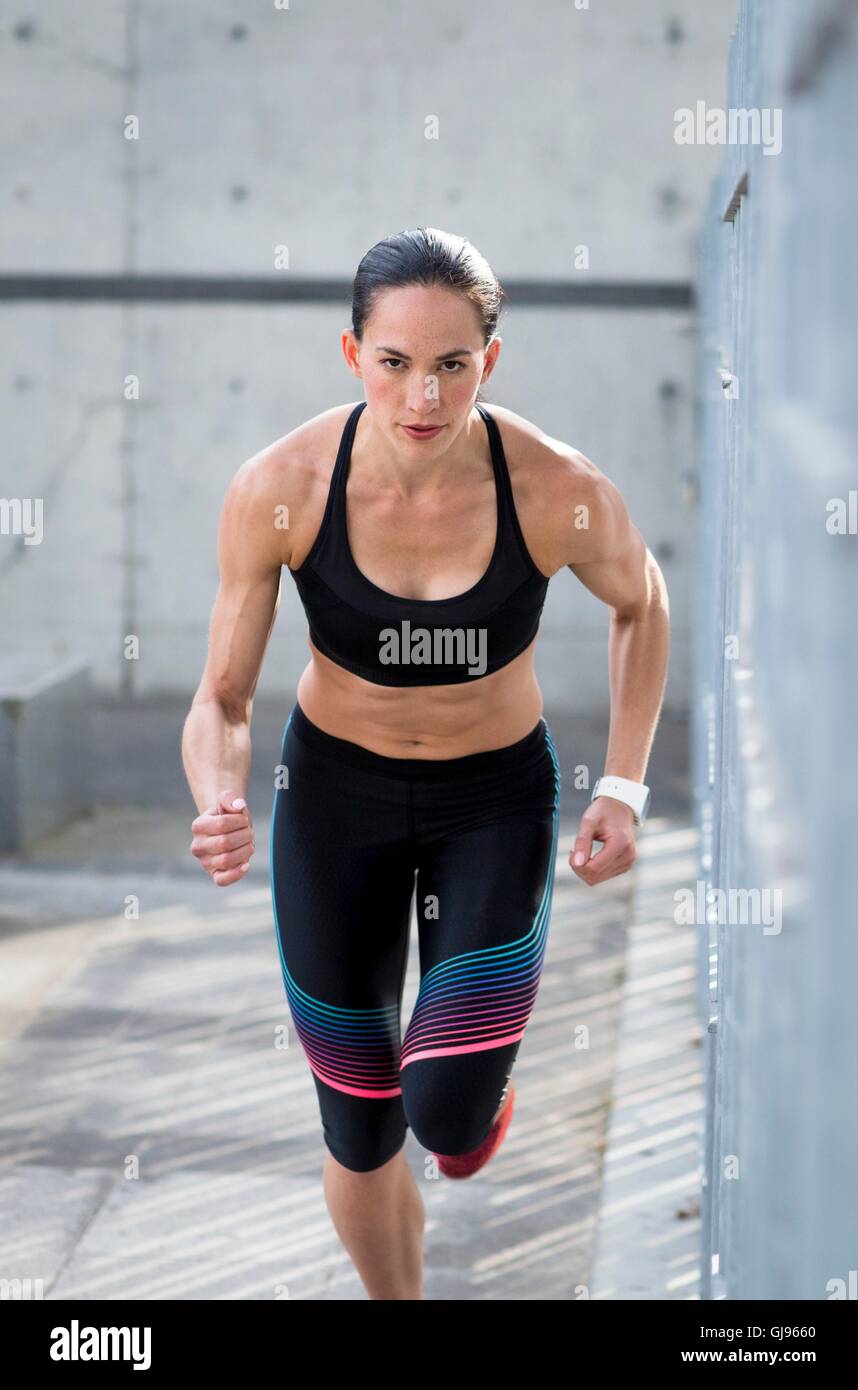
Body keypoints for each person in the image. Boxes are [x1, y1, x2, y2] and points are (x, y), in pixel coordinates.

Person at [182, 227, 670, 1300]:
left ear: (487, 364)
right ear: (351, 353)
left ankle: (472, 1094)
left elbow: (641, 603)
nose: (423, 396)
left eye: (452, 365)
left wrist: (623, 788)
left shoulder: (553, 488)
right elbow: (219, 697)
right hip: (333, 802)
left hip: (489, 798)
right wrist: (218, 792)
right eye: (395, 362)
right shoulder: (281, 488)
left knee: (443, 1112)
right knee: (359, 1125)